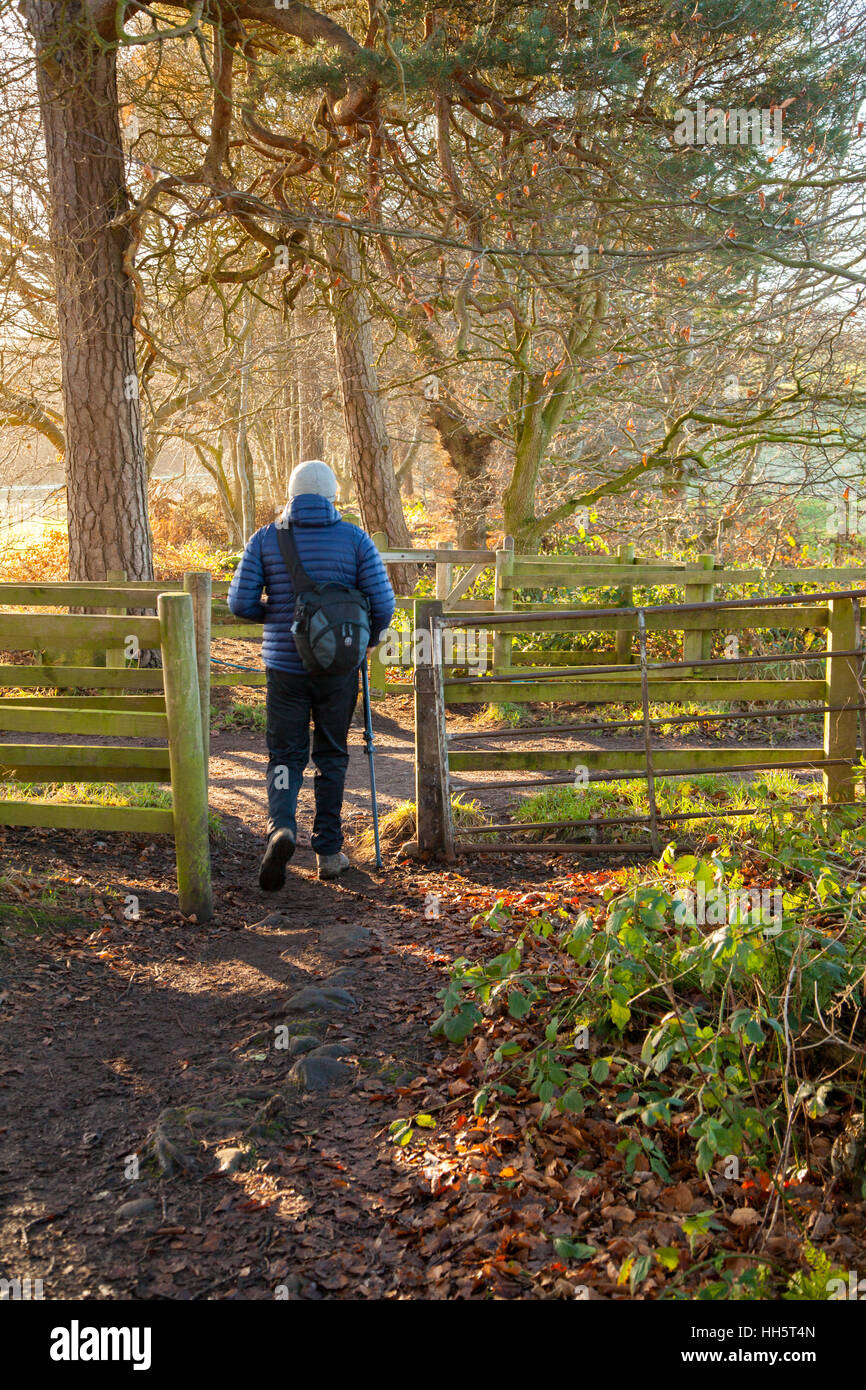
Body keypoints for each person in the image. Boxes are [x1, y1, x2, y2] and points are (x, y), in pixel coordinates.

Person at [227, 460, 395, 889]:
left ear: (291, 495)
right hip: (339, 667)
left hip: (285, 666)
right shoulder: (356, 540)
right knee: (332, 755)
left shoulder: (265, 539)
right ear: (333, 496)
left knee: (285, 755)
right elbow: (384, 602)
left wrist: (281, 617)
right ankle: (329, 850)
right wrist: (367, 640)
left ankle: (282, 827)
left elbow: (240, 604)